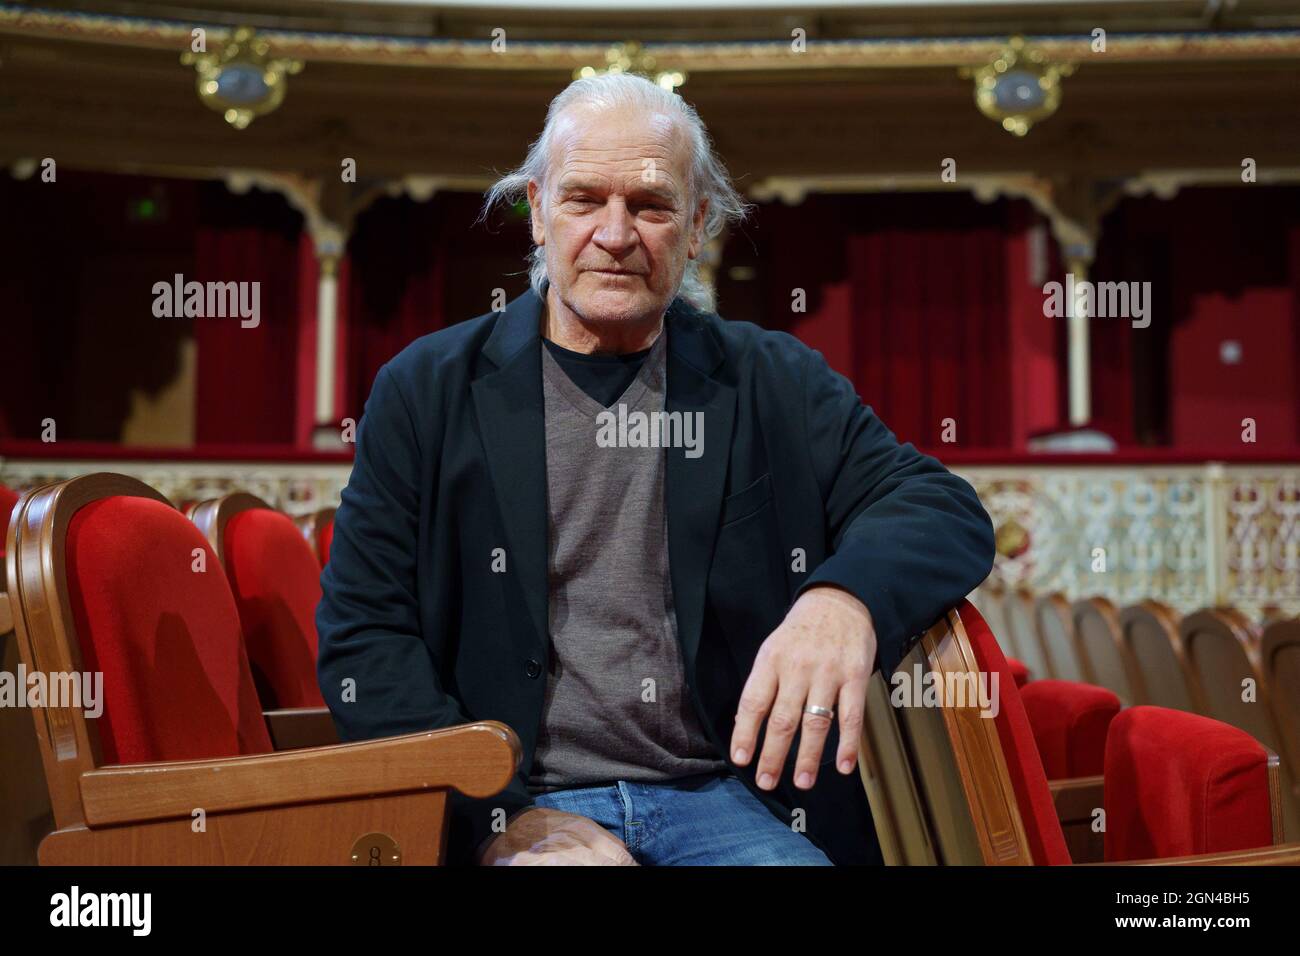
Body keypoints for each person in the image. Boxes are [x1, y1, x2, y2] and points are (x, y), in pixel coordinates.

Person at [316, 71, 995, 865]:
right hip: (511, 803)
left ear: (699, 222)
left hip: (727, 799)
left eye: (650, 204)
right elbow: (366, 637)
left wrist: (843, 600)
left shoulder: (771, 379)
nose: (615, 232)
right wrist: (495, 819)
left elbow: (944, 508)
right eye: (583, 200)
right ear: (535, 211)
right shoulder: (426, 389)